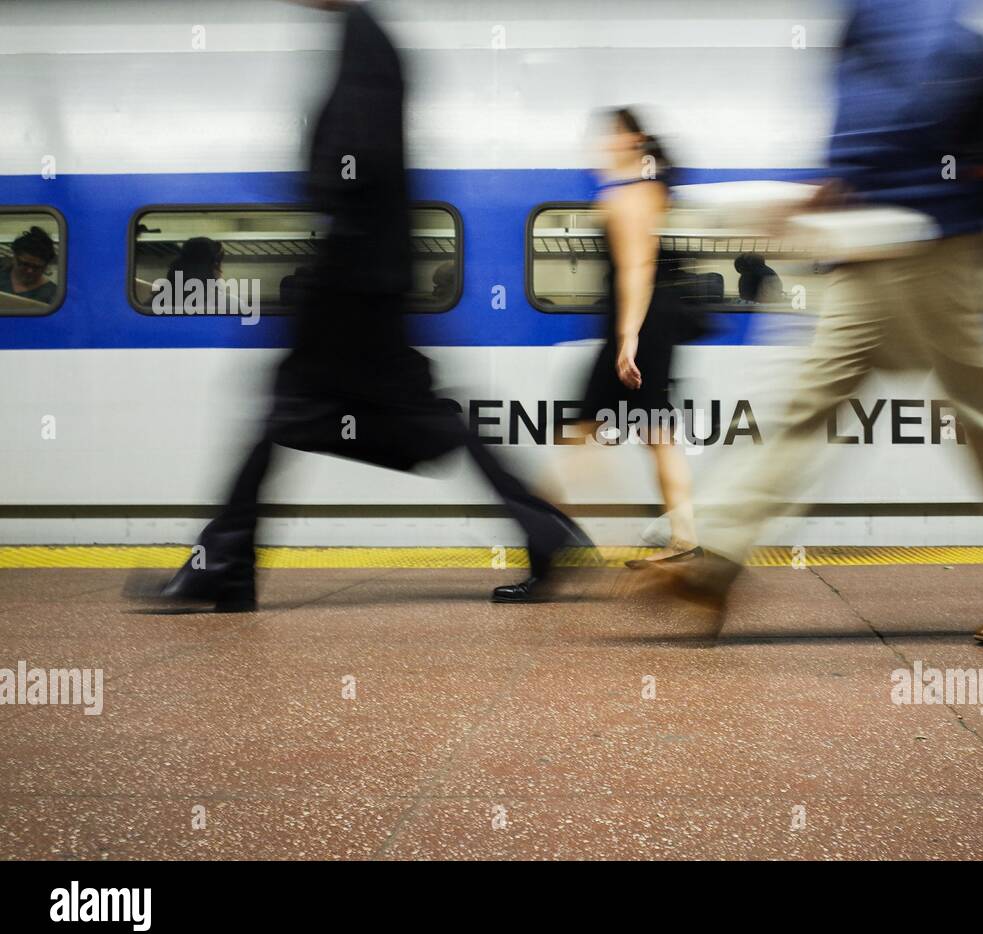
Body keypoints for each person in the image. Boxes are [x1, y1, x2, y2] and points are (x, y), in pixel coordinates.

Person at [645, 0, 983, 647]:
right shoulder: (872, 13)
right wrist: (832, 187)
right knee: (807, 401)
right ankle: (713, 557)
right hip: (871, 238)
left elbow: (921, 95)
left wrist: (848, 178)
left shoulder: (922, 16)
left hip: (933, 235)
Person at [135, 0, 586, 612]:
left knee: (289, 405)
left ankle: (224, 564)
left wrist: (315, 185)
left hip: (355, 276)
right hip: (367, 275)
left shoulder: (364, 38)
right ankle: (544, 532)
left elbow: (358, 159)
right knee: (413, 417)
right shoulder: (366, 36)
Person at [566, 107, 700, 569]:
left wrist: (627, 339)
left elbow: (637, 267)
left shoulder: (635, 195)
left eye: (609, 136)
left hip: (635, 328)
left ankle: (556, 544)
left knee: (585, 432)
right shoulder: (642, 191)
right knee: (653, 432)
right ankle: (682, 538)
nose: (601, 143)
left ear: (633, 140)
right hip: (642, 326)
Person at [1, 226, 59, 305]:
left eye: (36, 267)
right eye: (25, 264)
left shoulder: (54, 294)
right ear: (14, 257)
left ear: (46, 266)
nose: (30, 270)